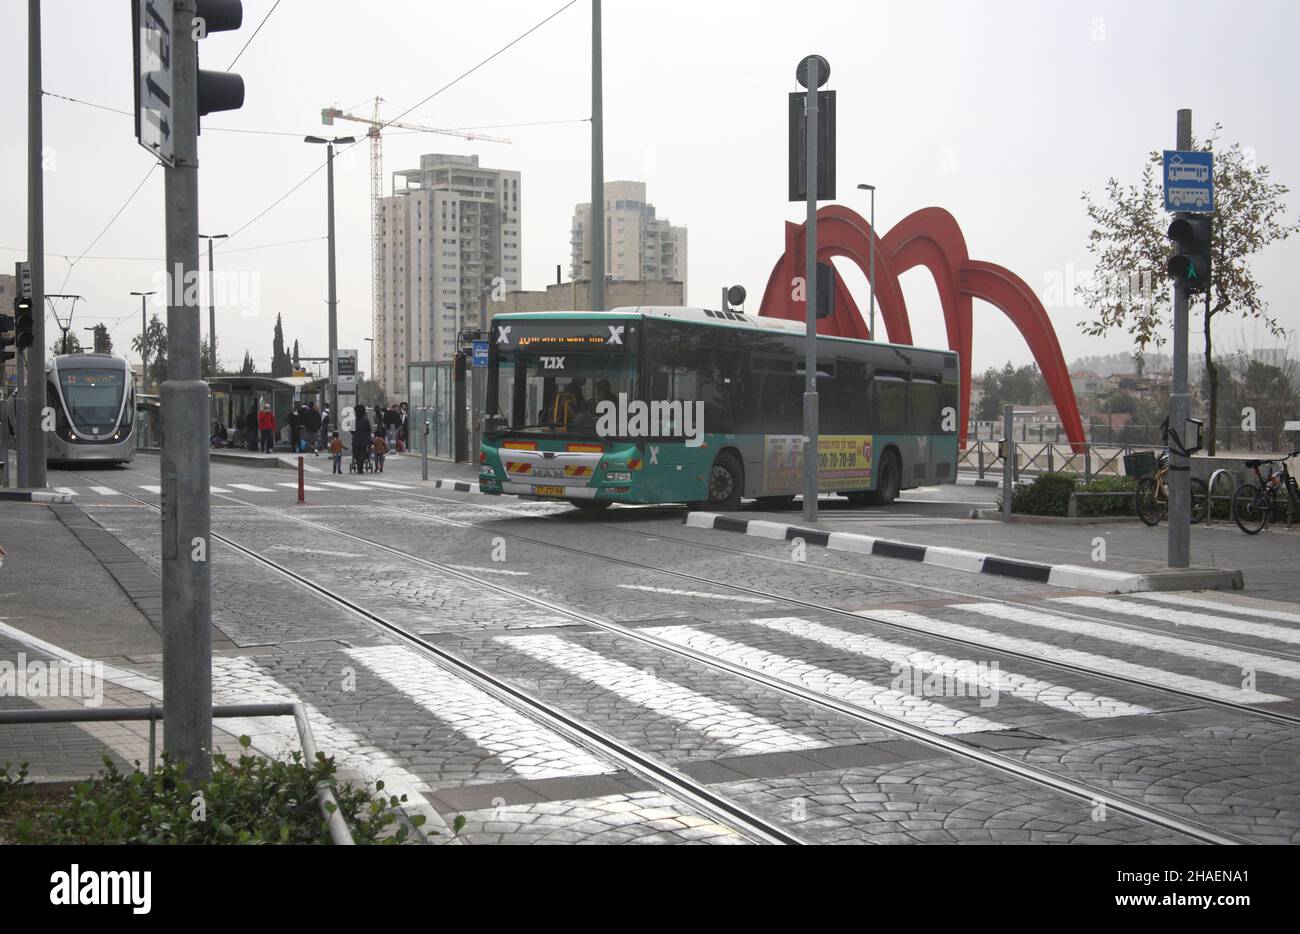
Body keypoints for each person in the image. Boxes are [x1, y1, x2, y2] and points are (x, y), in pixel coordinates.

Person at [352, 404, 372, 470]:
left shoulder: (353, 421)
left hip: (356, 439)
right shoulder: (366, 421)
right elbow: (369, 430)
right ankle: (361, 465)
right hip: (365, 440)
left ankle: (359, 466)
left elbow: (352, 432)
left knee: (356, 453)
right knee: (363, 452)